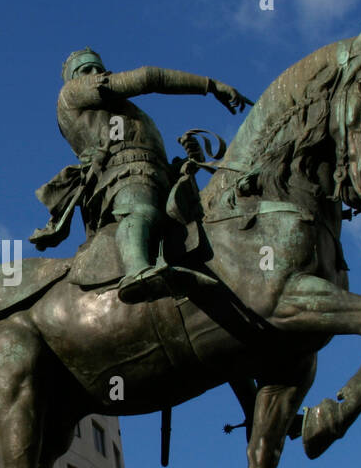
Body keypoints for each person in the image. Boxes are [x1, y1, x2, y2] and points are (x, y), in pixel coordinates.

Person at [30, 48, 251, 302]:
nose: (96, 73)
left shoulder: (128, 112)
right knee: (141, 211)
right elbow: (149, 78)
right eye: (85, 70)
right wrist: (210, 86)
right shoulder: (71, 94)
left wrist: (187, 161)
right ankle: (136, 271)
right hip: (119, 176)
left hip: (156, 175)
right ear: (73, 79)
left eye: (97, 67)